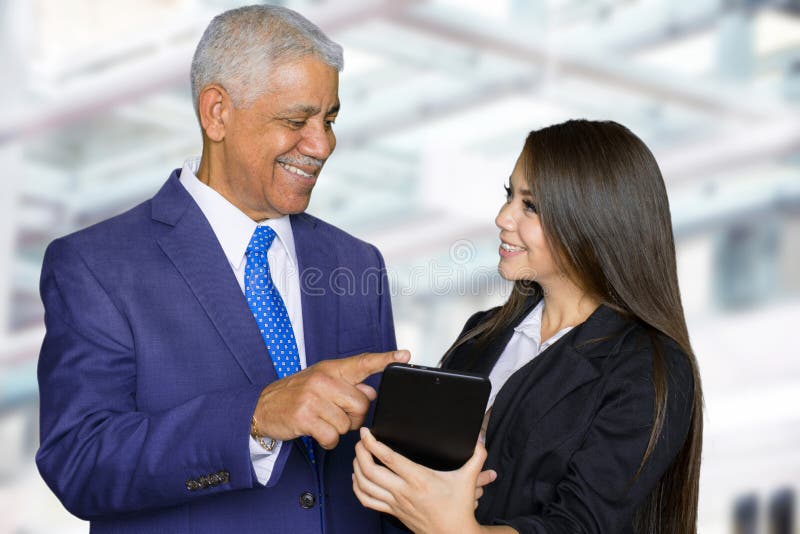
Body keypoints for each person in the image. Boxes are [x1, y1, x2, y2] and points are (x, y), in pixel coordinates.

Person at [36, 5, 410, 533]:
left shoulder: (356, 262)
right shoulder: (97, 266)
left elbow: (378, 464)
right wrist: (255, 417)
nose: (322, 145)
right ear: (217, 113)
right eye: (296, 120)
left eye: (329, 120)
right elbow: (80, 463)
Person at [352, 119, 703, 534]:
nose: (502, 217)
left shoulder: (650, 369)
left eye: (530, 206)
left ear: (592, 220)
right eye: (509, 195)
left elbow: (580, 525)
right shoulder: (482, 334)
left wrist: (455, 527)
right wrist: (395, 480)